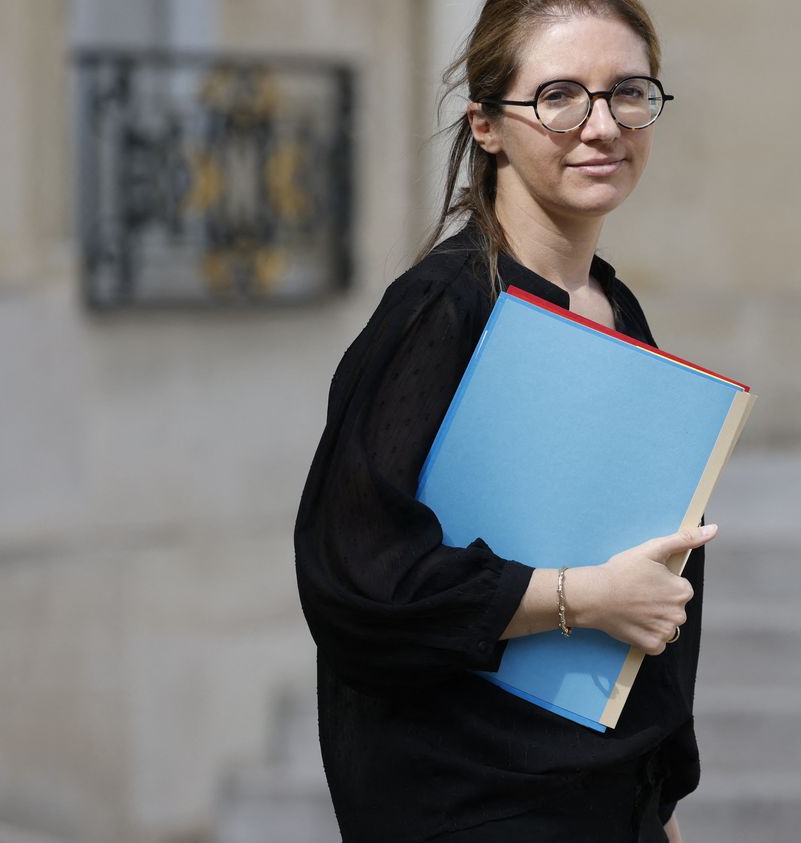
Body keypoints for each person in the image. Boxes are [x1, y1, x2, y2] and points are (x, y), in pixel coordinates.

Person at [294, 2, 714, 840]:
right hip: (471, 802)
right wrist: (586, 597)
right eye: (559, 96)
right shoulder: (440, 310)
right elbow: (358, 576)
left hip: (600, 801)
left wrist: (655, 803)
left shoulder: (615, 307)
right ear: (486, 124)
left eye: (627, 92)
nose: (602, 126)